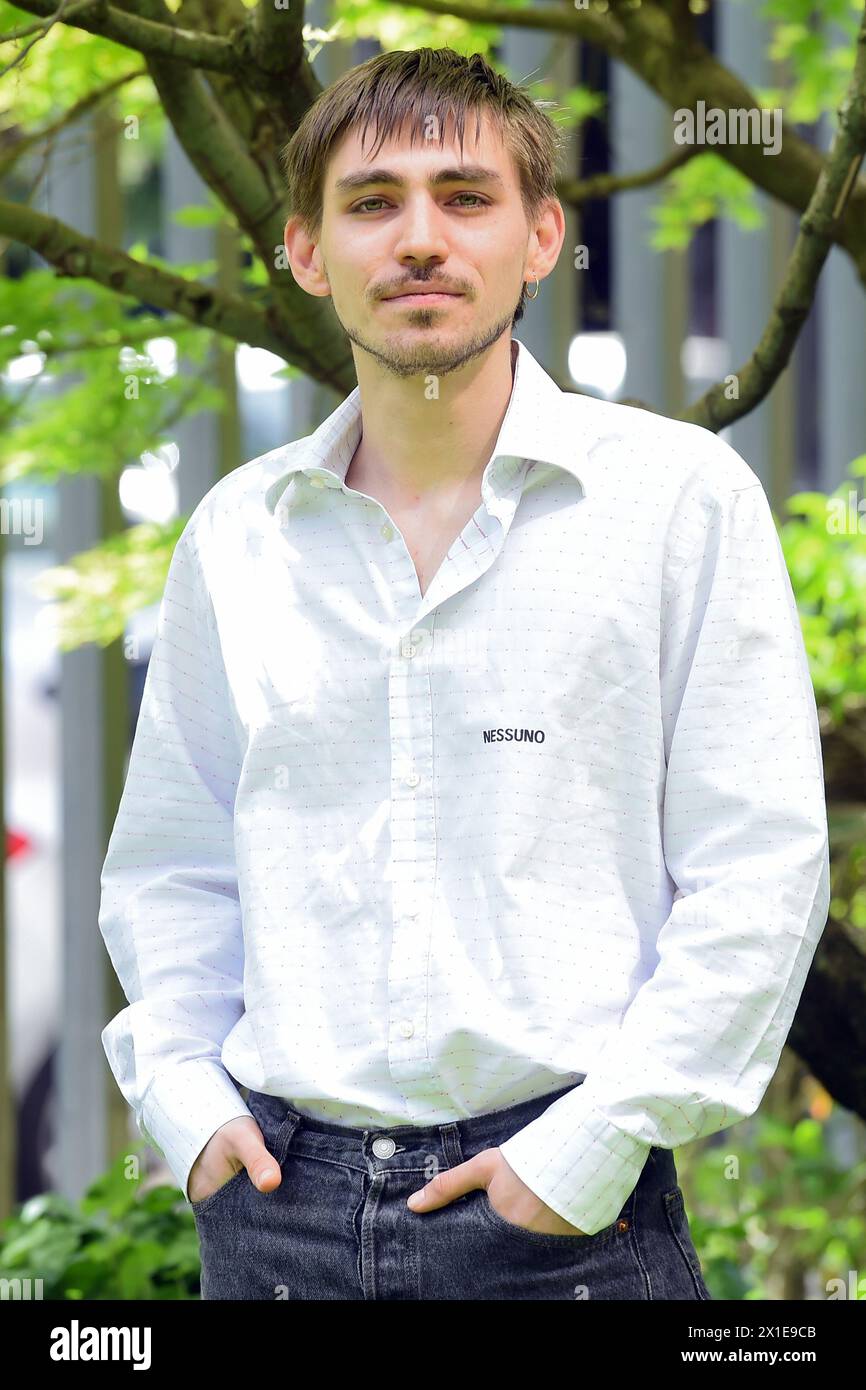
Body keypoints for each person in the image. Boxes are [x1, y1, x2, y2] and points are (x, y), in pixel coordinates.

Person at [98, 46, 830, 1301]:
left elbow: (757, 868)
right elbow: (176, 865)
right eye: (372, 201)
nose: (419, 238)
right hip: (275, 1216)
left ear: (541, 237)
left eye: (466, 196)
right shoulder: (237, 531)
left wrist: (591, 1146)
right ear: (306, 252)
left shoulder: (675, 502)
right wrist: (178, 1091)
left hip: (562, 1228)